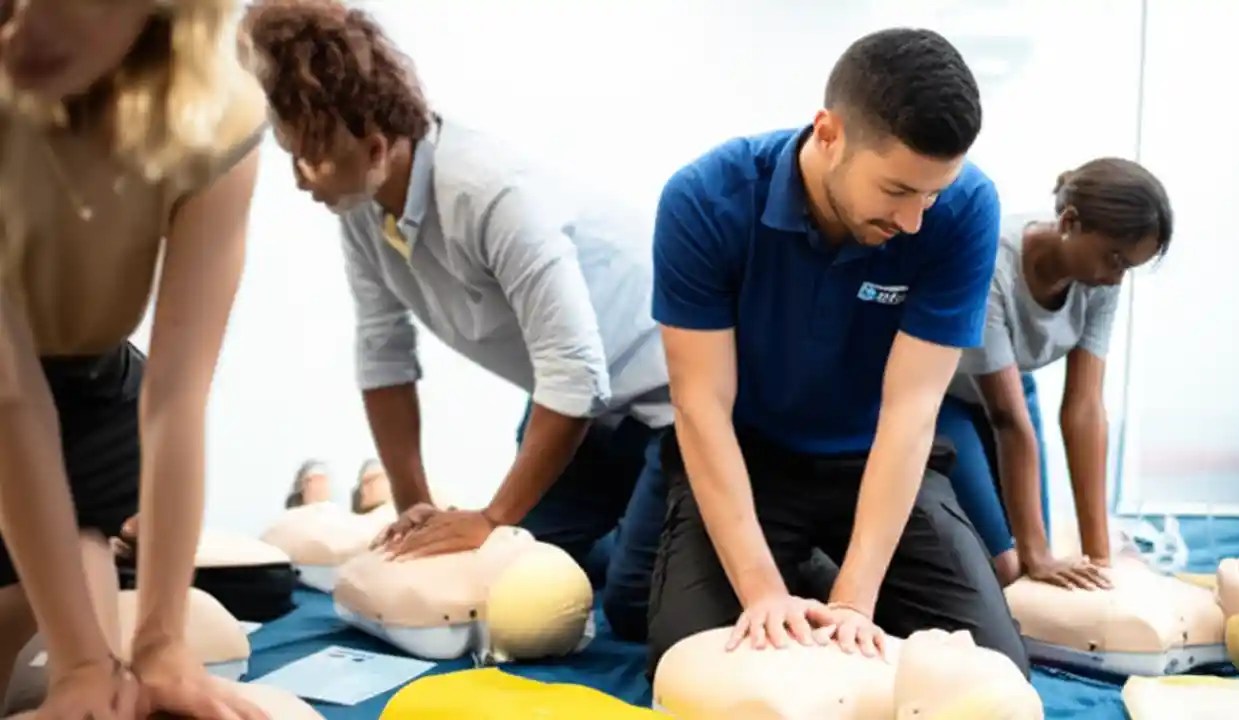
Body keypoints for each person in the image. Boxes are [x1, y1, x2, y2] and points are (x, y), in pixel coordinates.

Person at [242, 0, 671, 641]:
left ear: (379, 145)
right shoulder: (362, 208)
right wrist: (414, 504)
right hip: (594, 410)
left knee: (634, 605)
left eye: (312, 158)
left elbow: (572, 371)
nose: (301, 179)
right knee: (522, 574)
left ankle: (747, 537)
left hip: (672, 406)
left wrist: (494, 513)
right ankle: (650, 529)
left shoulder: (491, 192)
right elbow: (383, 353)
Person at [647, 27, 1030, 677]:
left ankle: (826, 577)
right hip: (752, 458)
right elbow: (701, 405)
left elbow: (911, 410)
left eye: (931, 193)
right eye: (897, 191)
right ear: (828, 133)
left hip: (878, 459)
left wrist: (855, 601)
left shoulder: (965, 209)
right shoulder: (704, 200)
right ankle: (794, 570)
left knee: (994, 671)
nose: (915, 220)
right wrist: (762, 591)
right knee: (695, 659)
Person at [0, 1, 268, 718]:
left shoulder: (220, 120)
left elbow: (178, 396)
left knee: (116, 689)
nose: (25, 28)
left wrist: (161, 643)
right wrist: (82, 660)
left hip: (96, 398)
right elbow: (11, 398)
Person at [937, 158, 1173, 589]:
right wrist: (1034, 553)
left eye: (1128, 267)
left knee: (1042, 564)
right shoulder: (990, 266)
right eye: (1114, 258)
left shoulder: (1102, 283)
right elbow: (1007, 421)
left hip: (1013, 394)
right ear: (1069, 222)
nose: (1117, 277)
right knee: (1011, 566)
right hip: (944, 399)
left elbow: (1084, 408)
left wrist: (1099, 558)